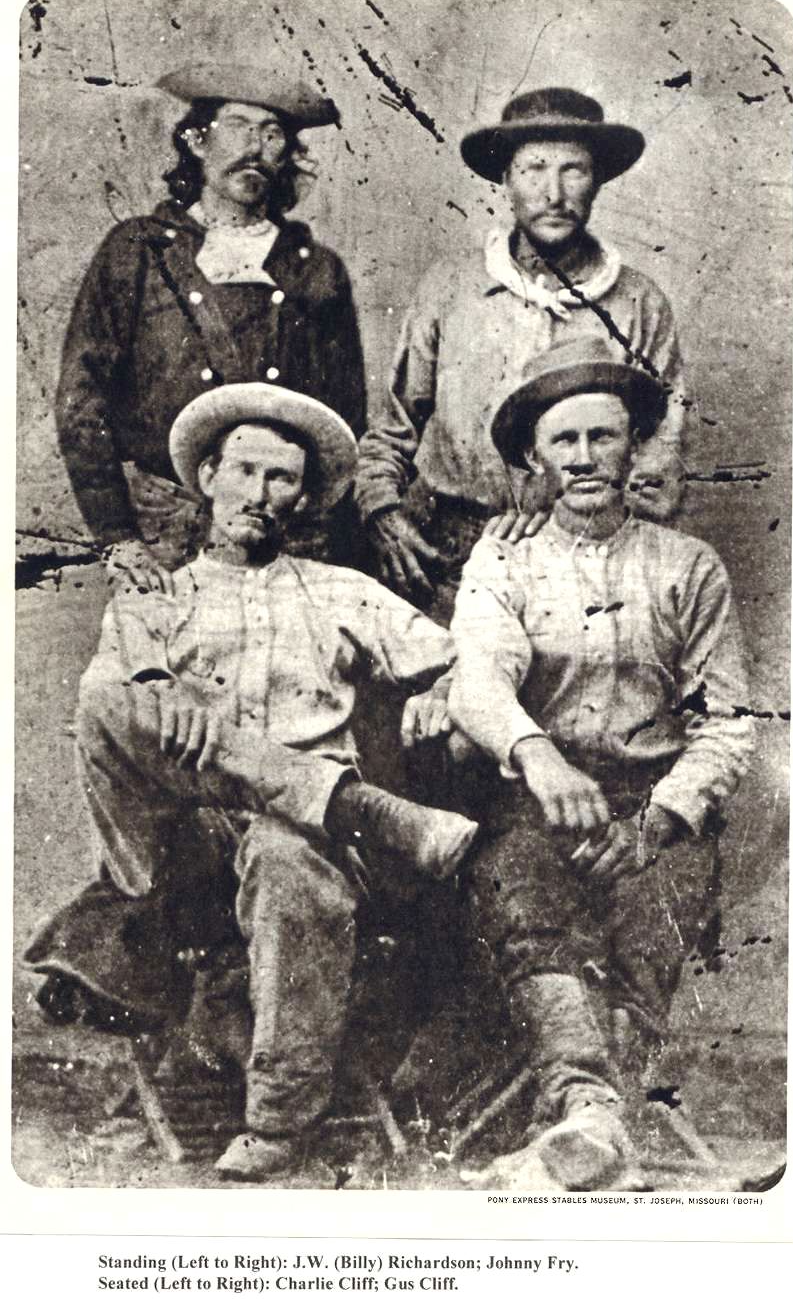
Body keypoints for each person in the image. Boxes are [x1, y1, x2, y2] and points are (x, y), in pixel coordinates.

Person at [26, 382, 476, 1181]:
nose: (259, 495)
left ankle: (276, 1123)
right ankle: (350, 802)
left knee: (285, 852)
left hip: (304, 848)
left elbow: (464, 661)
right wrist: (166, 687)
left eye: (282, 479)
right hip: (174, 846)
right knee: (106, 696)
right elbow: (107, 724)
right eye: (243, 471)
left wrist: (442, 693)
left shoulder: (342, 590)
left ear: (303, 496)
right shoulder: (153, 599)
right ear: (207, 478)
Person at [447, 336, 754, 1189]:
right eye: (564, 440)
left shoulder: (688, 566)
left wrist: (656, 821)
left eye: (603, 437)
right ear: (535, 456)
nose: (584, 458)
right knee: (524, 893)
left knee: (653, 909)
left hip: (660, 805)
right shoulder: (504, 559)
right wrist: (538, 756)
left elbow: (730, 722)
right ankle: (592, 1109)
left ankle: (586, 1126)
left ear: (632, 446)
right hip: (537, 802)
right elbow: (476, 678)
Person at [357, 88, 692, 621]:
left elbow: (660, 456)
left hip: (584, 564)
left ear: (598, 181)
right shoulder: (450, 288)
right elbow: (391, 430)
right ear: (506, 181)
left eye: (573, 170)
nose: (553, 192)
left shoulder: (637, 303)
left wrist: (575, 527)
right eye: (534, 169)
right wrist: (382, 510)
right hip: (451, 559)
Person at [56, 63, 366, 586]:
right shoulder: (138, 250)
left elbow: (345, 416)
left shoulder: (316, 268)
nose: (256, 149)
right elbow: (82, 402)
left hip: (284, 530)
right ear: (197, 141)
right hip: (162, 531)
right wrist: (118, 538)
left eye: (273, 136)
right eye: (240, 127)